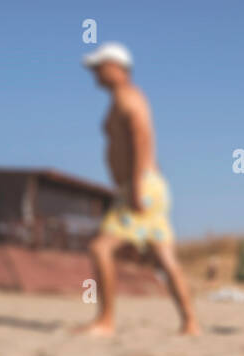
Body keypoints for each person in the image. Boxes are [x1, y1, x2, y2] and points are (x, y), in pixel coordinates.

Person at [75, 42, 200, 336]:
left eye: (99, 66)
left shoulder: (126, 96)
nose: (94, 72)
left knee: (100, 248)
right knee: (165, 258)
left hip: (141, 184)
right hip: (150, 184)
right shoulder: (126, 97)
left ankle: (105, 321)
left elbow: (140, 134)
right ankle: (191, 322)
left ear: (117, 68)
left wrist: (136, 185)